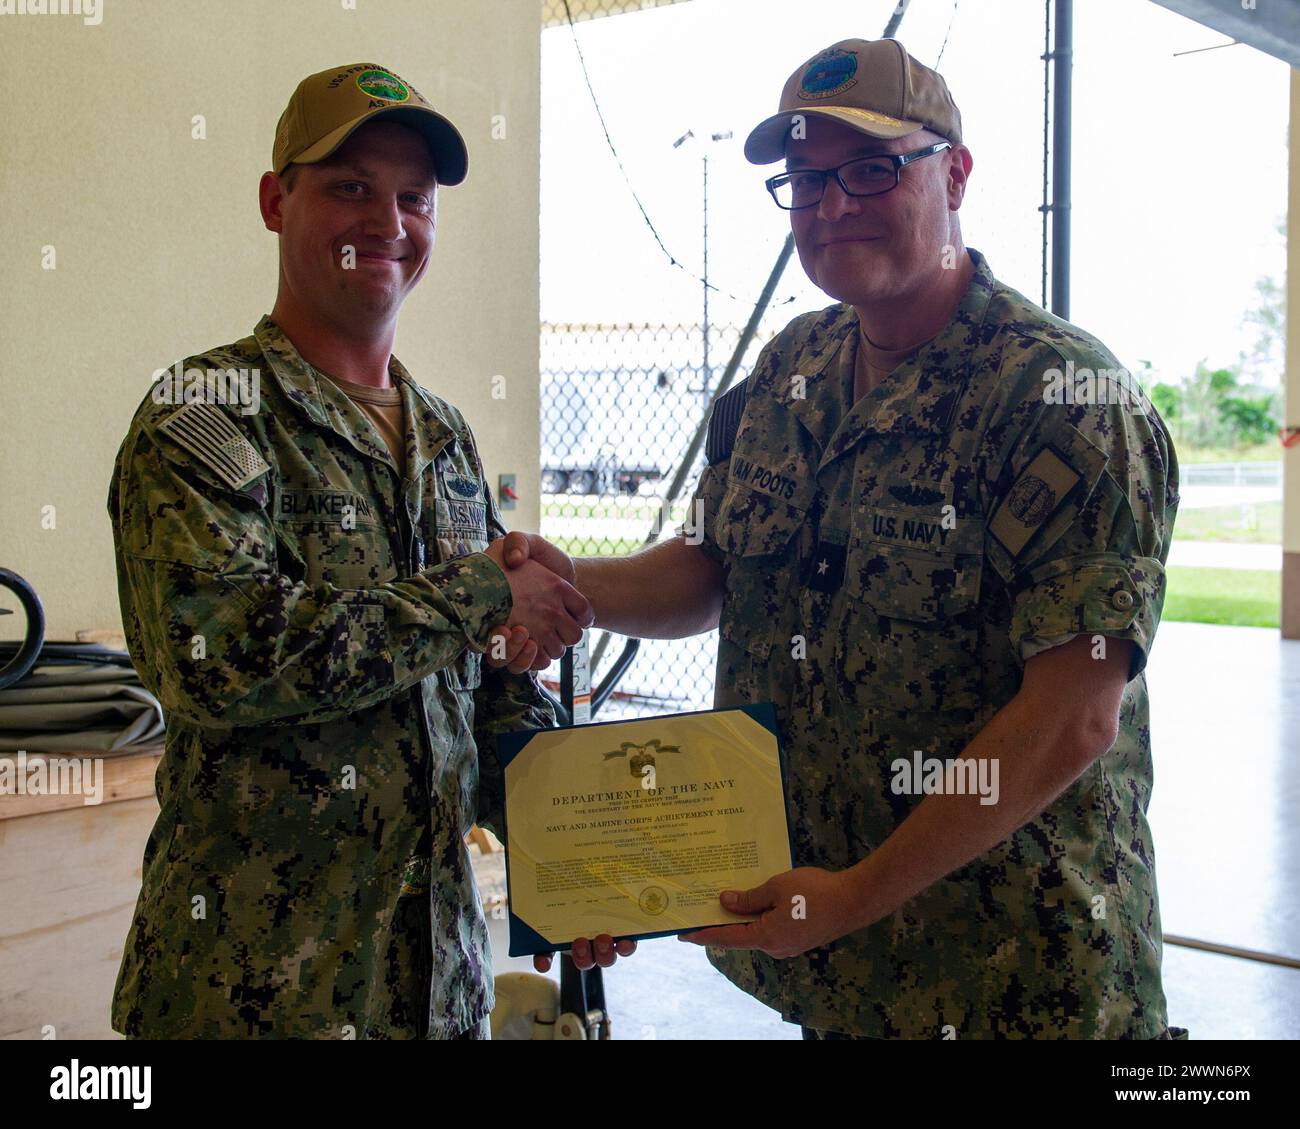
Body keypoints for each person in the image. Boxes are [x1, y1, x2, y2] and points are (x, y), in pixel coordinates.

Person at [504, 38, 1183, 1039]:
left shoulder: (1061, 400)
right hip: (842, 975)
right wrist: (568, 585)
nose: (832, 207)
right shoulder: (792, 367)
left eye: (870, 169)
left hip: (1013, 976)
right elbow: (711, 570)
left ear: (953, 171)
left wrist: (860, 891)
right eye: (807, 180)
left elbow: (1073, 716)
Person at [107, 62, 603, 1039]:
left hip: (435, 994)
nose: (386, 220)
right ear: (273, 200)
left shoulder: (446, 437)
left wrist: (580, 855)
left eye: (411, 198)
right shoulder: (205, 413)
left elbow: (479, 686)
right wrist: (480, 593)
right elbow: (222, 659)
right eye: (348, 187)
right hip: (251, 1002)